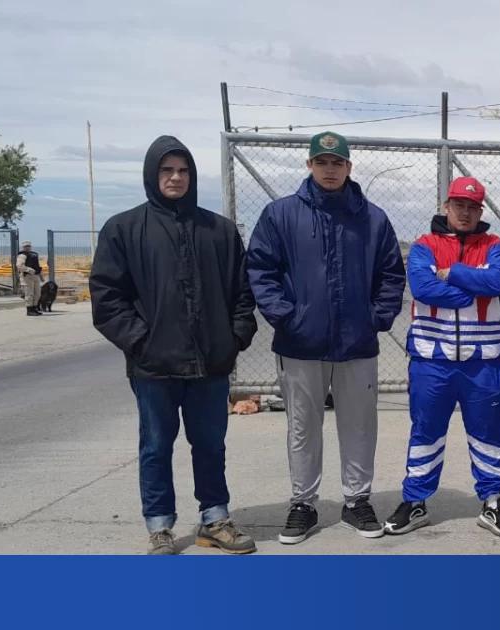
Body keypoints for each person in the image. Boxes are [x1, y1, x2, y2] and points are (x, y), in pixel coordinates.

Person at [90, 136, 258, 555]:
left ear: (193, 176)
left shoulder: (219, 230)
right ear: (153, 175)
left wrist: (234, 338)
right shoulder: (124, 230)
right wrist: (139, 341)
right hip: (154, 367)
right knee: (155, 447)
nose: (176, 178)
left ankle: (215, 519)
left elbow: (242, 292)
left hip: (210, 366)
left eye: (183, 170)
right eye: (167, 170)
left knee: (209, 445)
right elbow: (107, 296)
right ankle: (160, 526)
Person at [246, 131, 406, 545]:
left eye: (338, 163)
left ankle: (356, 501)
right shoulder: (280, 215)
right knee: (303, 426)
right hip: (301, 344)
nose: (330, 170)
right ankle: (303, 503)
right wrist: (286, 316)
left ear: (349, 168)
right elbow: (260, 269)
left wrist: (376, 318)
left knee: (359, 426)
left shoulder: (372, 219)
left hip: (357, 343)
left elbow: (391, 274)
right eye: (322, 162)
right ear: (310, 166)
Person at [383, 177, 500, 538]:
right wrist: (470, 289)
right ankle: (415, 502)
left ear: (480, 211)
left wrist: (453, 275)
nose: (465, 212)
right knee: (426, 432)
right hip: (433, 361)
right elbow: (423, 287)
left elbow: (498, 283)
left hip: (482, 362)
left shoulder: (496, 246)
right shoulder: (424, 245)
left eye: (472, 207)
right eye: (459, 204)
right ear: (446, 205)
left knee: (488, 434)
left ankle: (492, 502)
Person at [17, 241, 42, 316]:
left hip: (35, 276)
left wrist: (41, 276)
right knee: (29, 293)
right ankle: (29, 310)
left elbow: (37, 266)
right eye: (26, 246)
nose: (27, 247)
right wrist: (29, 270)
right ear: (23, 247)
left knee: (37, 293)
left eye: (28, 246)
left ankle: (34, 308)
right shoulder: (22, 255)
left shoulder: (34, 254)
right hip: (27, 276)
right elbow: (19, 266)